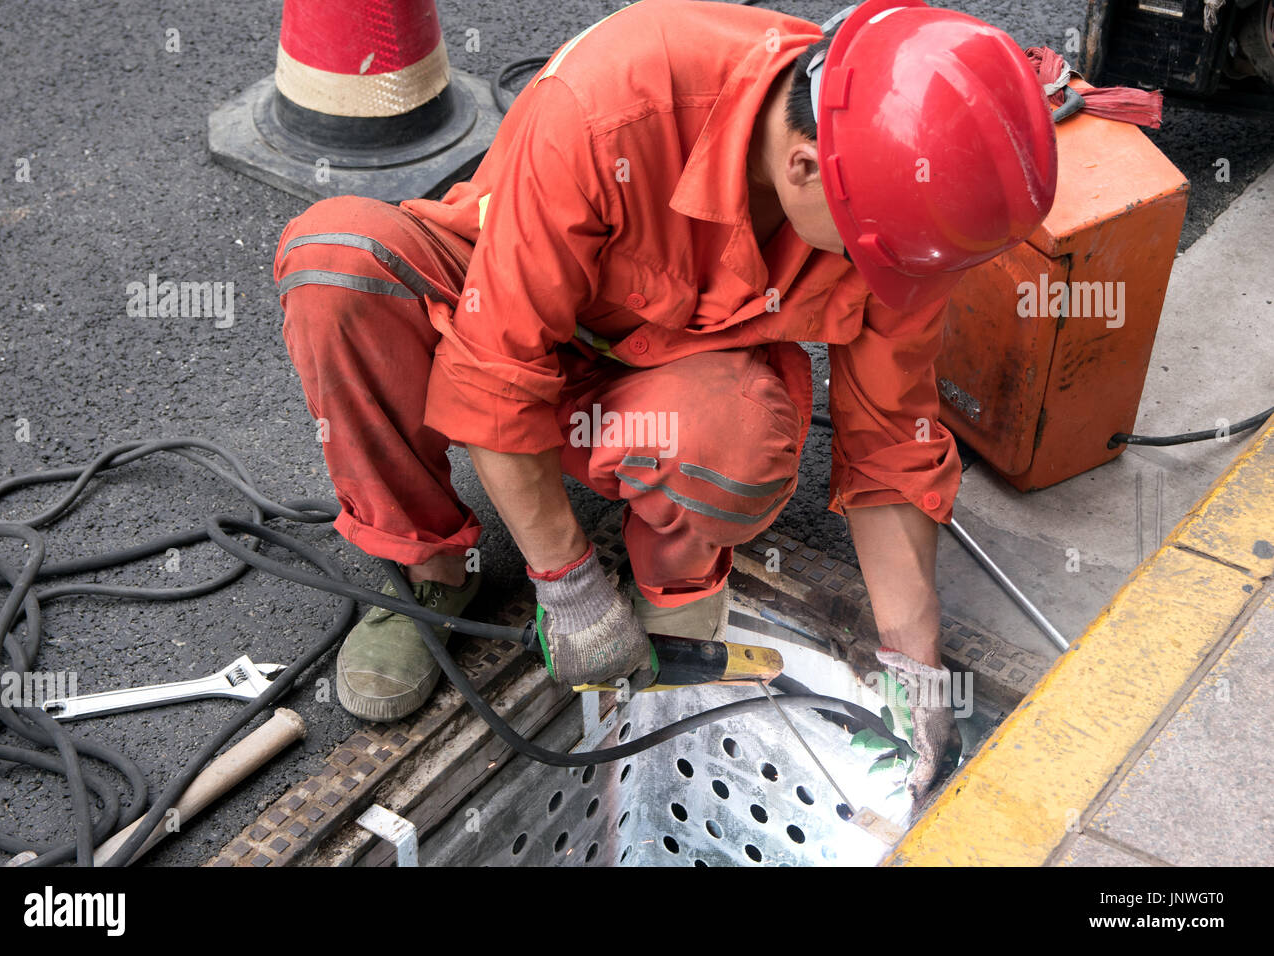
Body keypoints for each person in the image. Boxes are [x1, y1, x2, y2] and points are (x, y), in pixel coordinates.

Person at [274, 0, 1057, 802]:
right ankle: (432, 568)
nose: (889, 281)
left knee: (737, 434)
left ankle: (676, 595)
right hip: (501, 305)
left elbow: (891, 440)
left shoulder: (895, 204)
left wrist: (914, 663)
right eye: (875, 257)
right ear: (805, 168)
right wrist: (568, 584)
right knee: (336, 264)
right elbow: (496, 371)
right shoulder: (612, 103)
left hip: (670, 377)